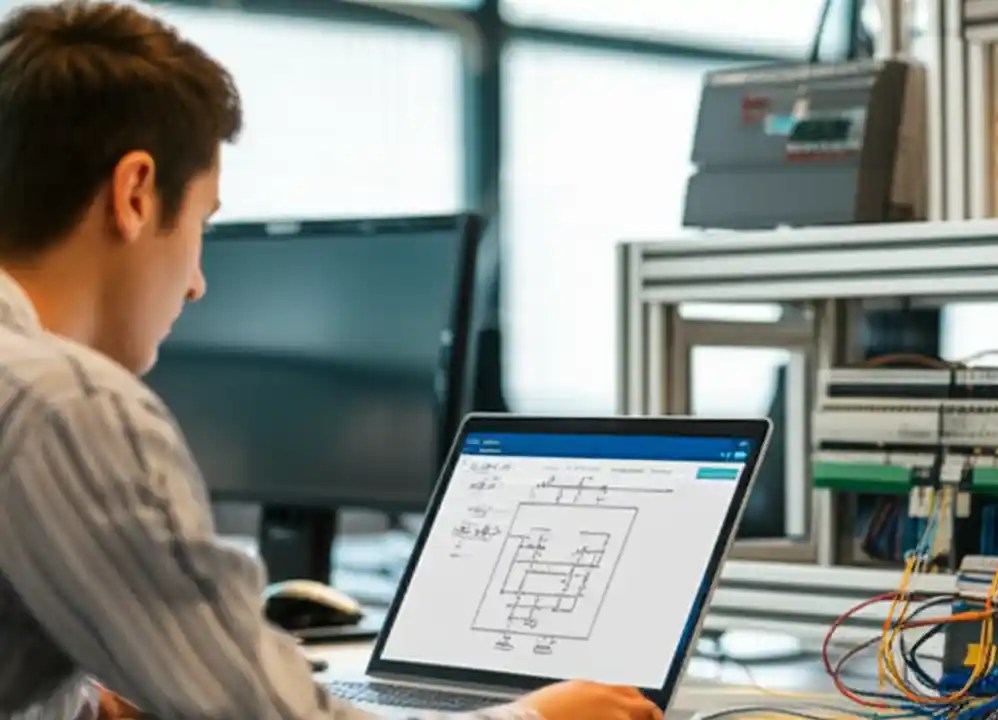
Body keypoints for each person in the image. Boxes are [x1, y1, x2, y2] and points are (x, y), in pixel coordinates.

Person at [0, 2, 663, 719]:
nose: (196, 282)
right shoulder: (68, 403)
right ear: (134, 194)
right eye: (202, 222)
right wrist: (536, 717)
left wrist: (94, 705)